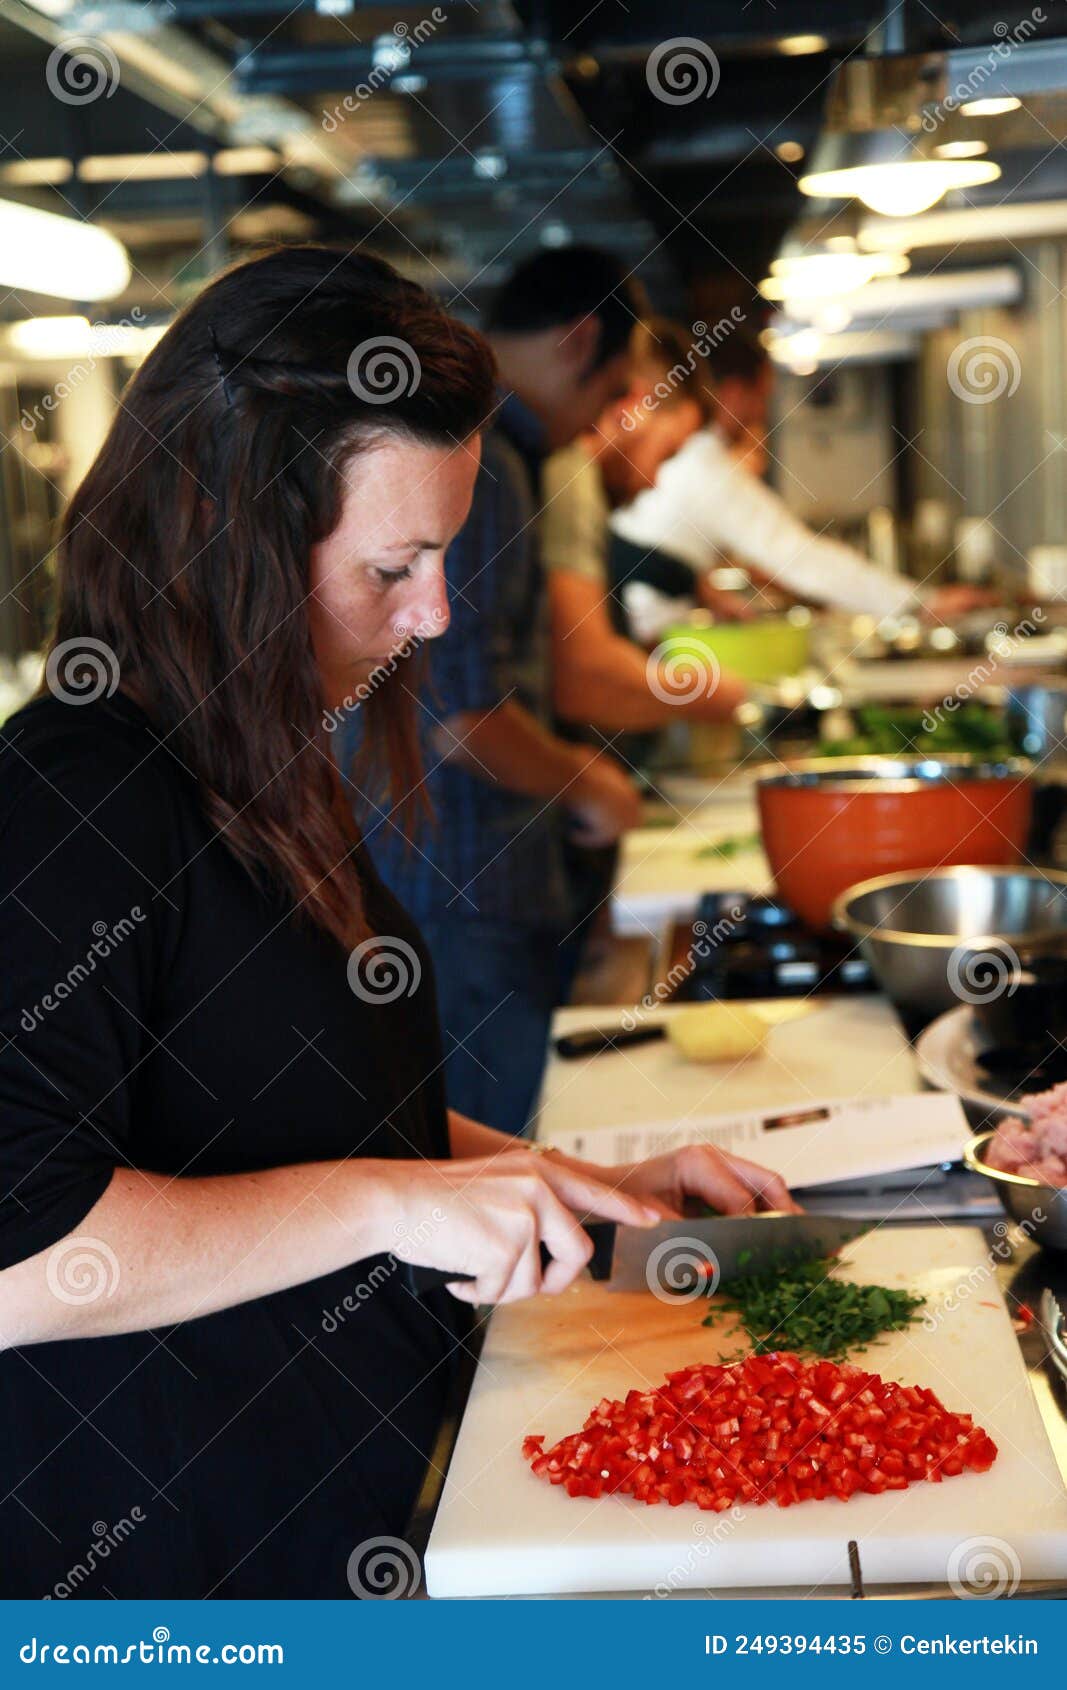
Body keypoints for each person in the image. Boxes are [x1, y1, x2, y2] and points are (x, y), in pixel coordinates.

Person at [0, 243, 799, 1599]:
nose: (431, 615)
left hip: (353, 1503)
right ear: (231, 543)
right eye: (396, 564)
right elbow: (21, 1253)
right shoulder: (72, 805)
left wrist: (579, 1184)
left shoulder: (256, 763)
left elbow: (316, 1109)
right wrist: (393, 1203)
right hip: (174, 1585)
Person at [357, 247, 654, 1140]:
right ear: (579, 341)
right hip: (463, 894)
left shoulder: (490, 451)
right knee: (489, 1176)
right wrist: (586, 779)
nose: (599, 429)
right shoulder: (479, 462)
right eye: (609, 399)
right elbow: (459, 719)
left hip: (457, 885)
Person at [611, 331, 991, 622]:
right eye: (761, 397)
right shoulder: (702, 466)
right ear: (733, 394)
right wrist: (921, 603)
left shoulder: (696, 460)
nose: (762, 413)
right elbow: (800, 558)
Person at [542, 319, 749, 732]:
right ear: (633, 407)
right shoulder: (572, 477)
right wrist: (711, 692)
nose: (655, 480)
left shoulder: (581, 488)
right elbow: (586, 676)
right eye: (667, 452)